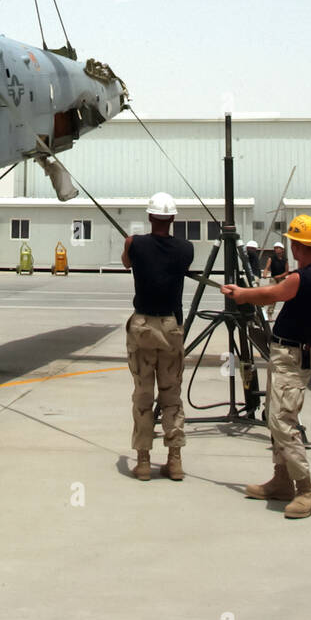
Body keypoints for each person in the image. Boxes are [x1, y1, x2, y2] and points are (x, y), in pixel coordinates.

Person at [222, 213, 311, 519]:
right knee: (275, 417)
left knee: (283, 422)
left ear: (297, 247)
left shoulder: (302, 278)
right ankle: (282, 480)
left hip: (291, 358)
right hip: (290, 356)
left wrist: (241, 294)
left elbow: (271, 294)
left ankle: (306, 489)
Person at [122, 192, 194, 482]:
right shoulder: (186, 248)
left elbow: (127, 262)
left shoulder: (135, 243)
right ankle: (174, 460)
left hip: (142, 325)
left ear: (150, 217)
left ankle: (142, 461)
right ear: (173, 218)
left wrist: (133, 244)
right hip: (171, 325)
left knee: (143, 392)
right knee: (171, 394)